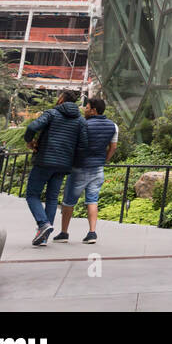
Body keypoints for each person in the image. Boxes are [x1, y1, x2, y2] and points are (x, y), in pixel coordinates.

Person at [23, 90, 88, 246]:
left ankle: (43, 223)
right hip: (63, 165)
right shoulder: (80, 120)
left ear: (61, 99)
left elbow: (32, 127)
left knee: (32, 194)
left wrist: (29, 141)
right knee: (52, 198)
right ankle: (44, 237)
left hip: (45, 160)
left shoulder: (52, 113)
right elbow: (84, 146)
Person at [54, 97, 118, 245]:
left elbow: (72, 145)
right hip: (98, 169)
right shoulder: (113, 126)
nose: (85, 109)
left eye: (87, 107)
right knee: (92, 200)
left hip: (79, 168)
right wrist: (105, 160)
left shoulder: (82, 124)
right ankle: (92, 233)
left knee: (69, 201)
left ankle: (64, 233)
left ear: (94, 110)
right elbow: (113, 147)